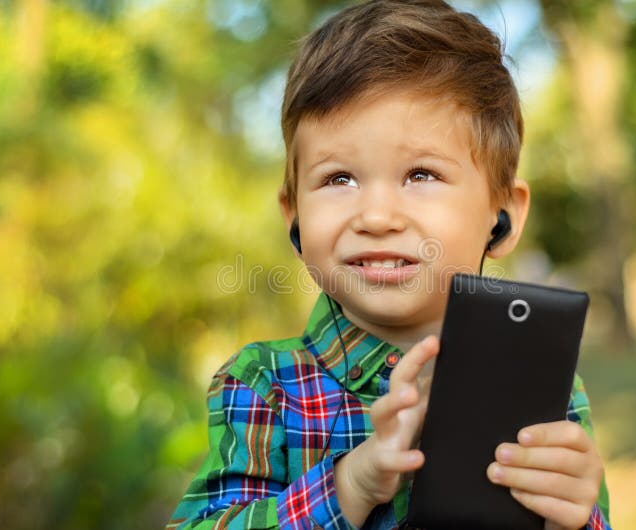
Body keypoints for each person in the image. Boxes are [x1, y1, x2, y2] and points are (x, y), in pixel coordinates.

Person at [166, 1, 612, 528]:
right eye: (339, 179)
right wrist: (350, 485)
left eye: (421, 175)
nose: (376, 217)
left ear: (503, 217)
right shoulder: (263, 387)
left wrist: (570, 520)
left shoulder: (546, 390)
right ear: (295, 218)